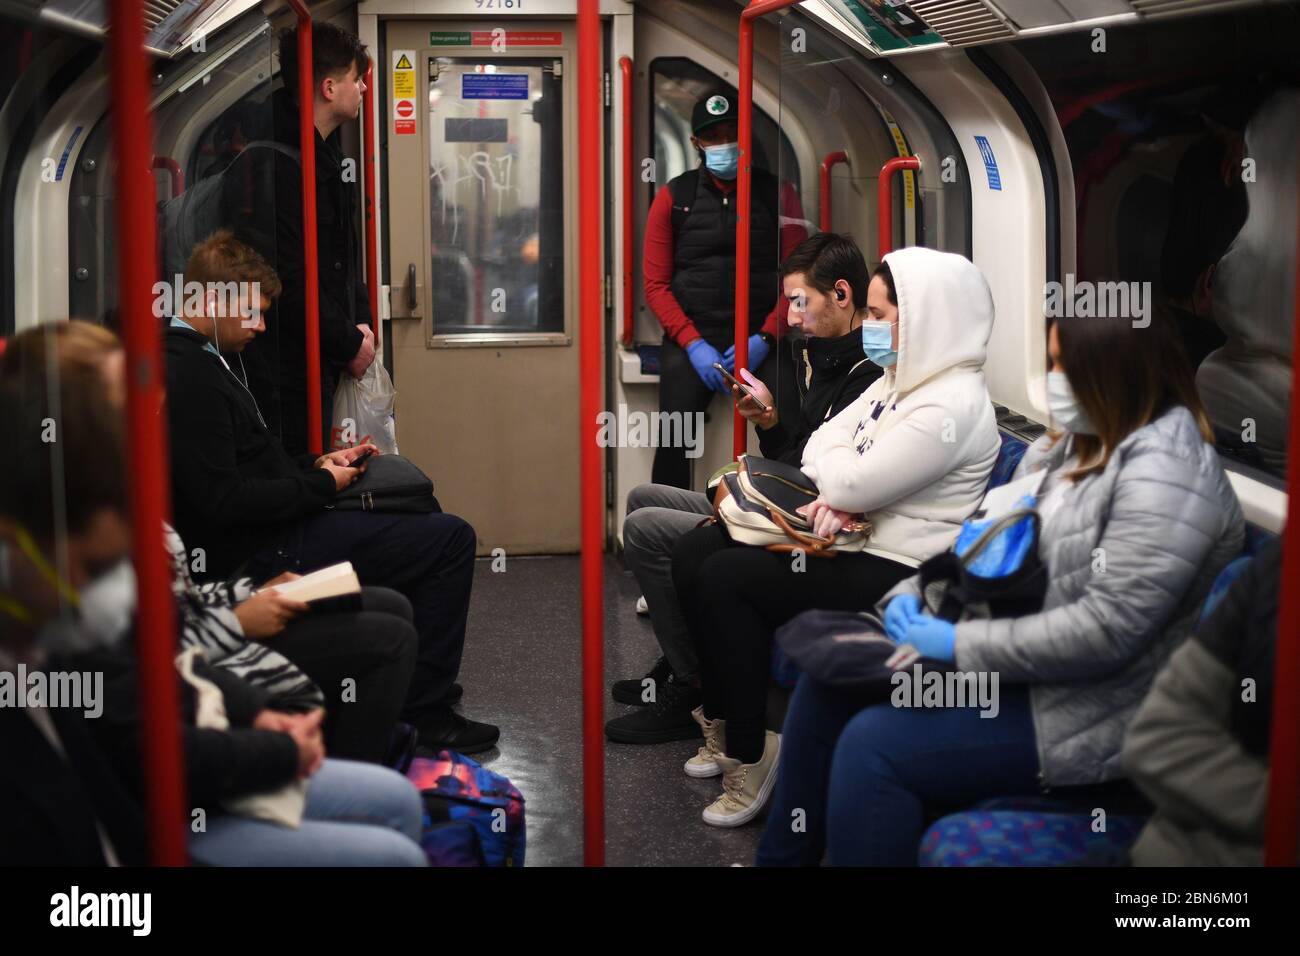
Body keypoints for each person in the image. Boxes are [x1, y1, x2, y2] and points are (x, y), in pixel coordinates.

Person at [756, 310, 1244, 866]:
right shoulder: (1073, 449)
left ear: (1110, 375)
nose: (1053, 380)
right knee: (829, 686)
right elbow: (986, 548)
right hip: (1017, 671)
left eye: (1061, 366)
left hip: (1089, 713)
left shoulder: (1168, 479)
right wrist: (921, 595)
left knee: (874, 747)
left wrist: (953, 646)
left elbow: (1104, 633)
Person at [0, 346, 426, 867]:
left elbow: (173, 653)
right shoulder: (64, 612)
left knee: (398, 793)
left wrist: (257, 712)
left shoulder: (89, 570)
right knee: (389, 634)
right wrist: (280, 748)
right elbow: (146, 744)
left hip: (202, 712)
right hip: (164, 814)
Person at [671, 246, 1002, 827]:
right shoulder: (899, 379)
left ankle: (753, 751)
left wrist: (843, 482)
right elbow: (823, 444)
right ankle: (722, 719)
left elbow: (846, 474)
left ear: (926, 318)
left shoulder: (954, 404)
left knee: (728, 576)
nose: (871, 328)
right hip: (854, 541)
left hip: (902, 566)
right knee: (698, 549)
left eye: (881, 315)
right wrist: (841, 481)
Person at [163, 231, 497, 754]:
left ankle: (415, 680)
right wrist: (320, 485)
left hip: (276, 524)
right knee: (450, 539)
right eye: (251, 312)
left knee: (417, 504)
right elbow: (224, 501)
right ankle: (424, 710)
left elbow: (251, 463)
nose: (261, 326)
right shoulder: (189, 375)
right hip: (260, 550)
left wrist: (318, 462)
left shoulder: (208, 360)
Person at [608, 233, 882, 743]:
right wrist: (771, 421)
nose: (792, 318)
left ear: (841, 295)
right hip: (788, 496)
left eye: (801, 302)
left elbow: (820, 481)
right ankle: (680, 661)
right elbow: (797, 458)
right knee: (642, 499)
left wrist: (755, 488)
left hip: (803, 525)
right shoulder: (812, 357)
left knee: (647, 530)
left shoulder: (866, 378)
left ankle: (692, 682)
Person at [643, 89, 808, 489]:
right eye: (712, 136)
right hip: (693, 339)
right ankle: (669, 531)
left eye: (730, 133)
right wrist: (693, 343)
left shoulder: (777, 195)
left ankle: (790, 519)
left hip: (760, 337)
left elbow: (799, 280)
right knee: (674, 437)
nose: (723, 144)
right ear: (696, 144)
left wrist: (768, 335)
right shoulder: (673, 198)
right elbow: (656, 285)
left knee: (790, 425)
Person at [225, 22, 376, 456]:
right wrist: (347, 341)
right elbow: (284, 277)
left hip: (317, 353)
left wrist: (358, 319)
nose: (363, 88)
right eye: (356, 79)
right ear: (329, 87)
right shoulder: (276, 167)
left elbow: (337, 259)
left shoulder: (322, 157)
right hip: (282, 369)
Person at [1122, 537, 1279, 866]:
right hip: (1172, 848)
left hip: (1106, 701)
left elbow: (1106, 627)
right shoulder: (1280, 568)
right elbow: (1161, 738)